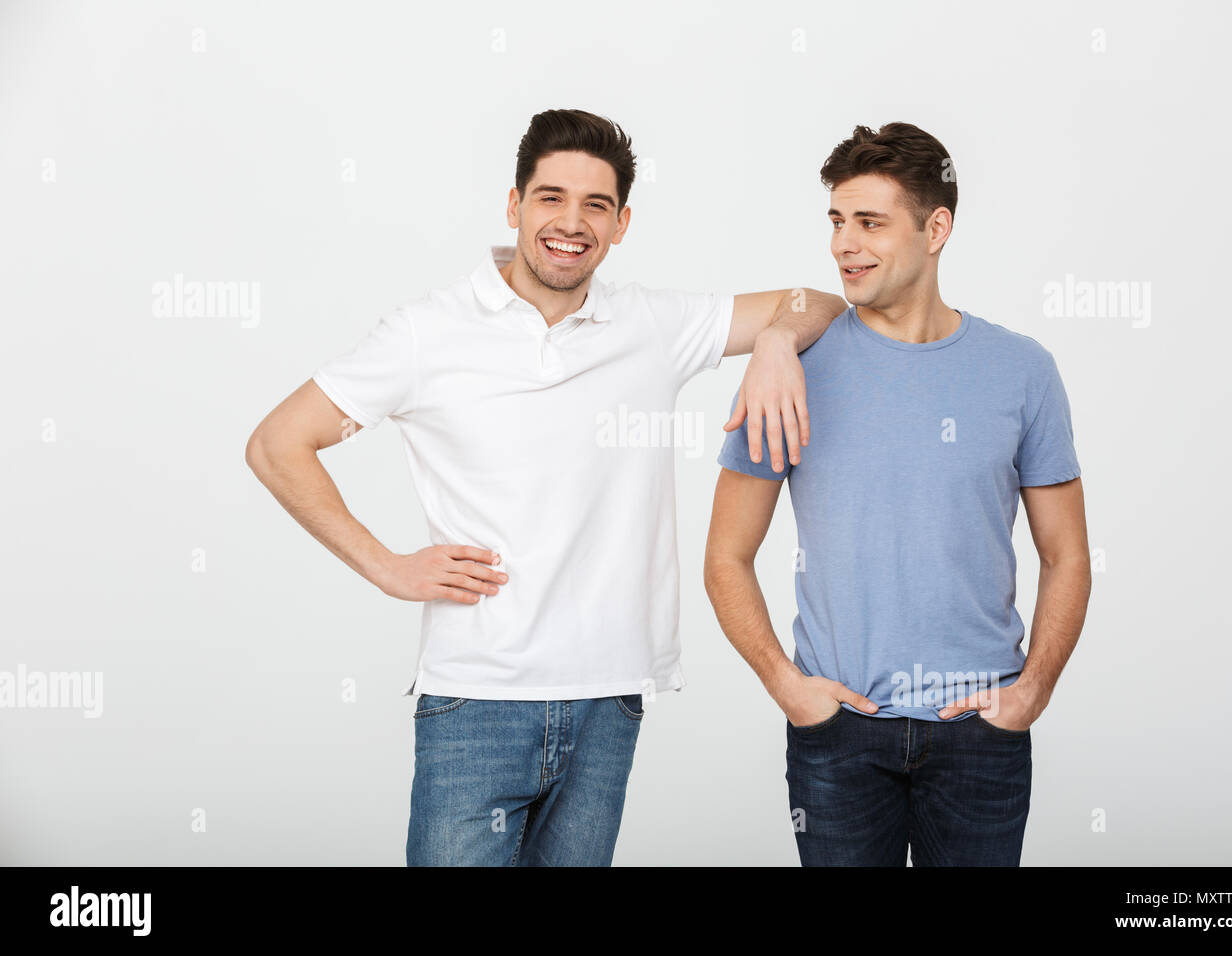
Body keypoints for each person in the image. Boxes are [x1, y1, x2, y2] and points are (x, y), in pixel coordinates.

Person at [244, 108, 847, 866]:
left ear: (622, 222)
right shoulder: (429, 332)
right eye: (551, 197)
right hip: (476, 699)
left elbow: (815, 303)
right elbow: (277, 444)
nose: (571, 222)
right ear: (514, 206)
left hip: (610, 696)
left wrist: (775, 345)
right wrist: (386, 566)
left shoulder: (652, 324)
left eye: (596, 204)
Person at [703, 122, 1092, 866]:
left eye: (871, 223)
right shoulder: (792, 368)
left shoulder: (1021, 371)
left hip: (981, 732)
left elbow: (1068, 554)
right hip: (839, 735)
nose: (844, 244)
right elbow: (726, 555)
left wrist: (1030, 692)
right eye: (837, 222)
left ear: (936, 227)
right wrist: (790, 688)